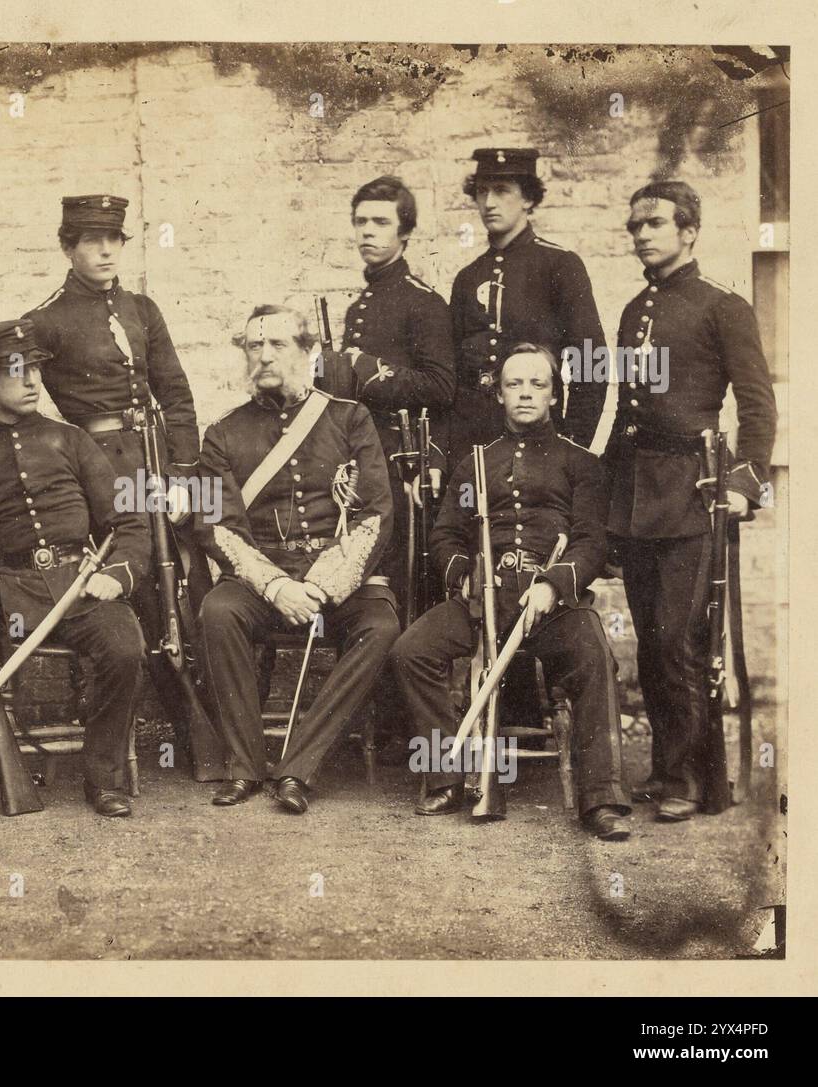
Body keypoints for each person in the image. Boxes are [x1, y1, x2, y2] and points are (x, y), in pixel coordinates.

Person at [389, 344, 632, 840]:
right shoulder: (474, 464)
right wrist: (461, 574)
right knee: (410, 651)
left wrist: (553, 584)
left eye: (537, 384)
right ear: (498, 394)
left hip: (553, 603)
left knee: (593, 657)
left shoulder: (580, 464)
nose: (525, 394)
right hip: (484, 600)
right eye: (514, 384)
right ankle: (446, 775)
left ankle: (601, 798)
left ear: (554, 395)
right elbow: (447, 534)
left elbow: (590, 539)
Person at [0, 320, 150, 825]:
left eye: (36, 370)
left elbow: (128, 520)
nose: (32, 382)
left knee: (125, 645)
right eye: (17, 372)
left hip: (78, 588)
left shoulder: (72, 441)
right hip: (5, 595)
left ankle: (103, 778)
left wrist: (117, 574)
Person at [23, 194, 221, 776]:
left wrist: (183, 475)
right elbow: (27, 410)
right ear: (68, 247)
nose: (106, 250)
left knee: (198, 582)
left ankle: (212, 734)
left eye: (115, 239)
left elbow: (177, 394)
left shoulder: (142, 308)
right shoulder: (45, 320)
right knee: (143, 595)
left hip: (159, 459)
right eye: (91, 240)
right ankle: (148, 740)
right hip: (101, 470)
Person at [605, 180, 777, 820]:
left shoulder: (722, 307)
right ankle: (671, 768)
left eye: (654, 224)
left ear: (689, 231)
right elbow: (627, 413)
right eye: (635, 227)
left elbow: (758, 405)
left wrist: (743, 482)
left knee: (682, 638)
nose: (642, 235)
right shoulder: (631, 312)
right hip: (636, 488)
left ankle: (689, 780)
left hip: (694, 490)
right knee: (651, 639)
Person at [196, 304, 399, 815]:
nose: (264, 356)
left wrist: (321, 587)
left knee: (380, 627)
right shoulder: (223, 432)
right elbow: (218, 524)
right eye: (254, 346)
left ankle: (298, 766)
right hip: (263, 577)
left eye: (278, 344)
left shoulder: (350, 418)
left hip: (337, 575)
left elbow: (375, 512)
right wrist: (276, 587)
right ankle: (243, 765)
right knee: (218, 612)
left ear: (310, 353)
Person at [317, 174, 456, 610]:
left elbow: (441, 385)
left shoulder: (424, 302)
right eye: (360, 222)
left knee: (402, 585)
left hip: (400, 466)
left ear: (406, 232)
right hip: (359, 462)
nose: (367, 232)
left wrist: (364, 368)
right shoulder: (361, 304)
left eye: (380, 222)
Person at [449, 148, 609, 462]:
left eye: (501, 191)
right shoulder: (467, 278)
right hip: (472, 444)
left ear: (528, 199)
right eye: (482, 192)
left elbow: (592, 362)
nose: (489, 202)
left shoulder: (559, 264)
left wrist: (572, 445)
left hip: (540, 440)